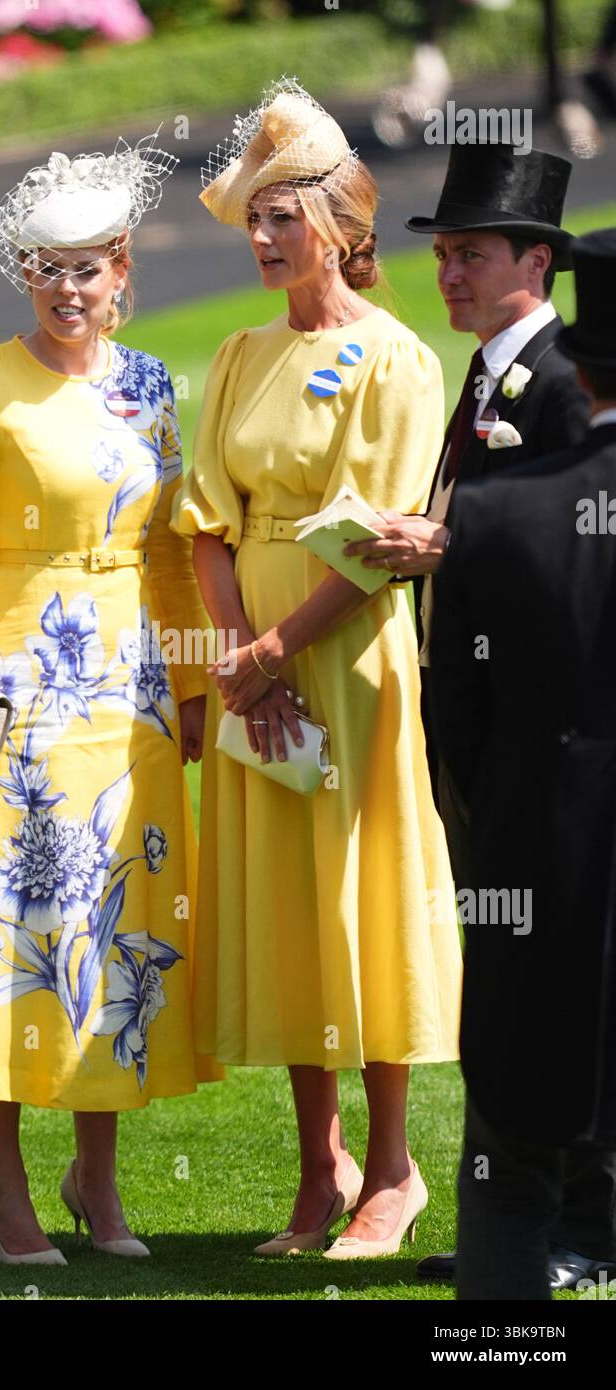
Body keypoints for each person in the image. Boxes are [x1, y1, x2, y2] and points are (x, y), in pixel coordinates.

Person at [0, 133, 215, 1265]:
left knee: (112, 914)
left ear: (123, 267)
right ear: (23, 271)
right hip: (14, 686)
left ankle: (100, 1180)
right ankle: (3, 1179)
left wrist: (187, 679)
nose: (68, 287)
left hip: (126, 688)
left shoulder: (148, 387)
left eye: (88, 267)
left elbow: (174, 552)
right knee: (17, 918)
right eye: (47, 267)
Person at [171, 79, 462, 1260]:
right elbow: (204, 520)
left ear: (339, 224)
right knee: (286, 907)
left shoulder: (397, 360)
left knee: (358, 891)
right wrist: (242, 661)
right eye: (255, 217)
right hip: (258, 659)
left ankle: (389, 1170)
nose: (262, 236)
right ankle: (315, 1168)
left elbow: (381, 540)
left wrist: (272, 656)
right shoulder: (238, 354)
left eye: (282, 216)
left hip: (347, 661)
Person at [348, 140, 616, 1291]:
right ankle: (538, 1223)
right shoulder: (484, 373)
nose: (448, 274)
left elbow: (568, 571)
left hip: (546, 752)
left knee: (559, 981)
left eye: (470, 254)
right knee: (534, 981)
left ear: (535, 262)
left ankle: (560, 1229)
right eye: (443, 253)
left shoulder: (565, 379)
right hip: (487, 739)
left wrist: (449, 545)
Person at [429, 228, 616, 1299]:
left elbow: (460, 713)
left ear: (580, 370)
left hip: (532, 864)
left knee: (507, 1168)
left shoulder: (496, 520)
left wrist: (508, 809)